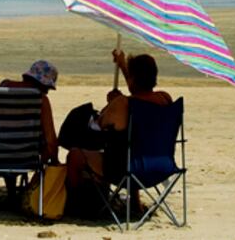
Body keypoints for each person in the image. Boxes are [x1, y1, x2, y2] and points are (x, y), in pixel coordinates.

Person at [64, 49, 173, 199]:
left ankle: (73, 203)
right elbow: (139, 91)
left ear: (133, 78)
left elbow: (100, 124)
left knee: (75, 156)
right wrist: (122, 65)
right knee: (133, 145)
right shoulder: (165, 99)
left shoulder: (123, 104)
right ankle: (135, 203)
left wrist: (113, 103)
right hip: (160, 166)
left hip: (123, 170)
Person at [0, 59, 60, 209]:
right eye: (47, 87)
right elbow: (51, 140)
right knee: (21, 141)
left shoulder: (4, 87)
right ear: (42, 84)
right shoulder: (41, 100)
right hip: (23, 158)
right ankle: (12, 196)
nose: (47, 91)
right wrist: (54, 160)